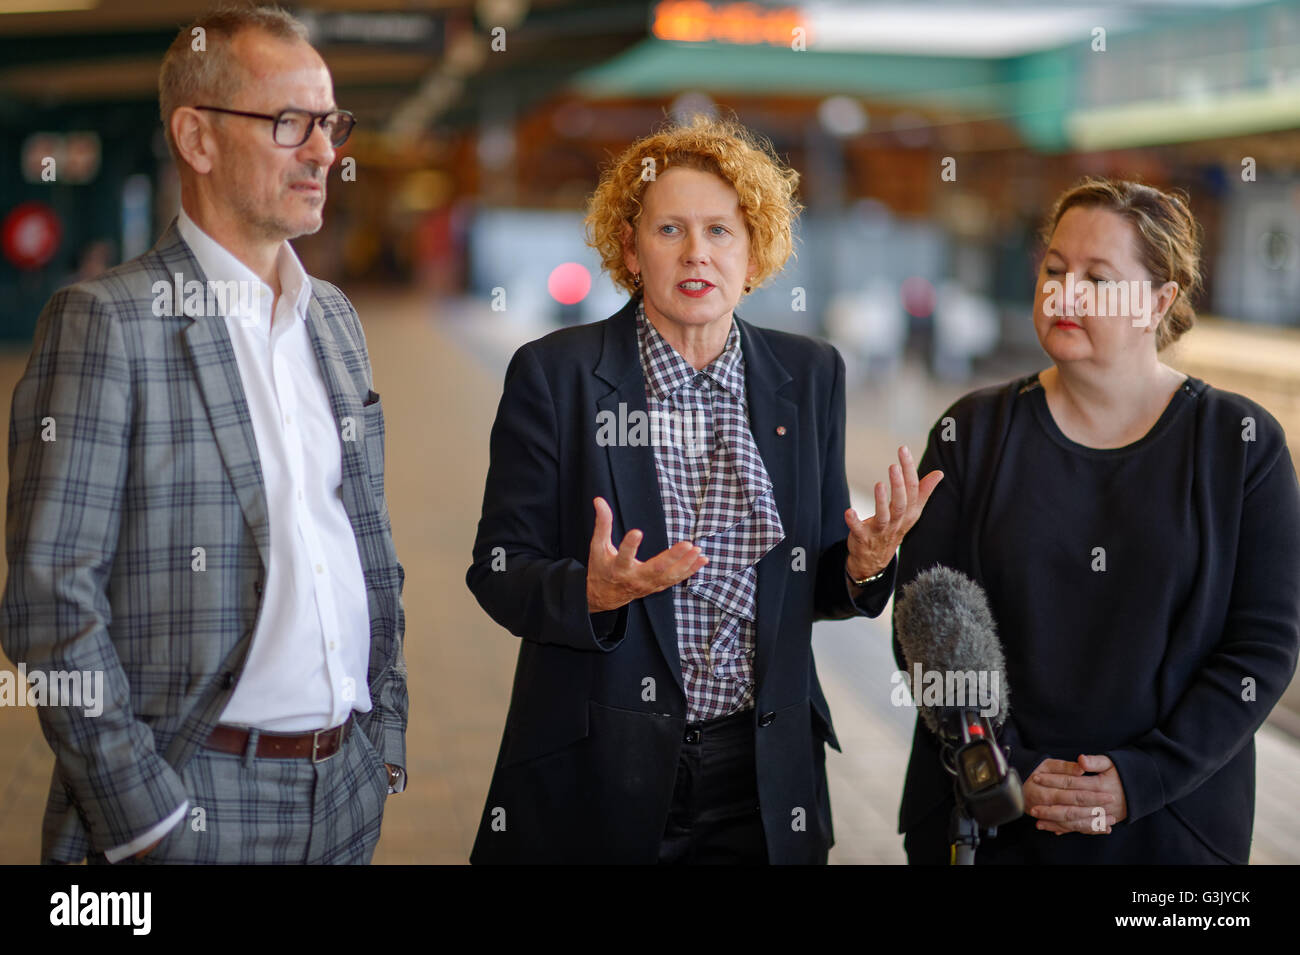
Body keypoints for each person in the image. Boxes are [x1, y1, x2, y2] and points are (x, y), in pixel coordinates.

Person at [466, 115, 941, 864]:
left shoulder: (810, 375)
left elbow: (809, 584)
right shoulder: (555, 376)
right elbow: (497, 569)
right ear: (629, 248)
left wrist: (863, 564)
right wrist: (590, 591)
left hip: (761, 778)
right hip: (596, 772)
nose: (697, 253)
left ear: (754, 252)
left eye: (721, 230)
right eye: (669, 230)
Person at [0, 5, 407, 865]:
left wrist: (384, 737)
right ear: (197, 136)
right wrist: (142, 817)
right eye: (290, 122)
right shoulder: (105, 323)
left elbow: (363, 536)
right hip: (192, 793)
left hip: (345, 791)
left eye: (330, 123)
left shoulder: (331, 319)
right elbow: (49, 600)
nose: (325, 152)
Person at [895, 177, 1300, 864]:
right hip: (987, 822)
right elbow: (927, 628)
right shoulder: (973, 432)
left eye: (1097, 278)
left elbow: (1261, 646)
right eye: (1054, 270)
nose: (1063, 293)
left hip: (1172, 828)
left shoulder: (1240, 444)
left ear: (1158, 302)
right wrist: (1012, 766)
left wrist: (1139, 779)